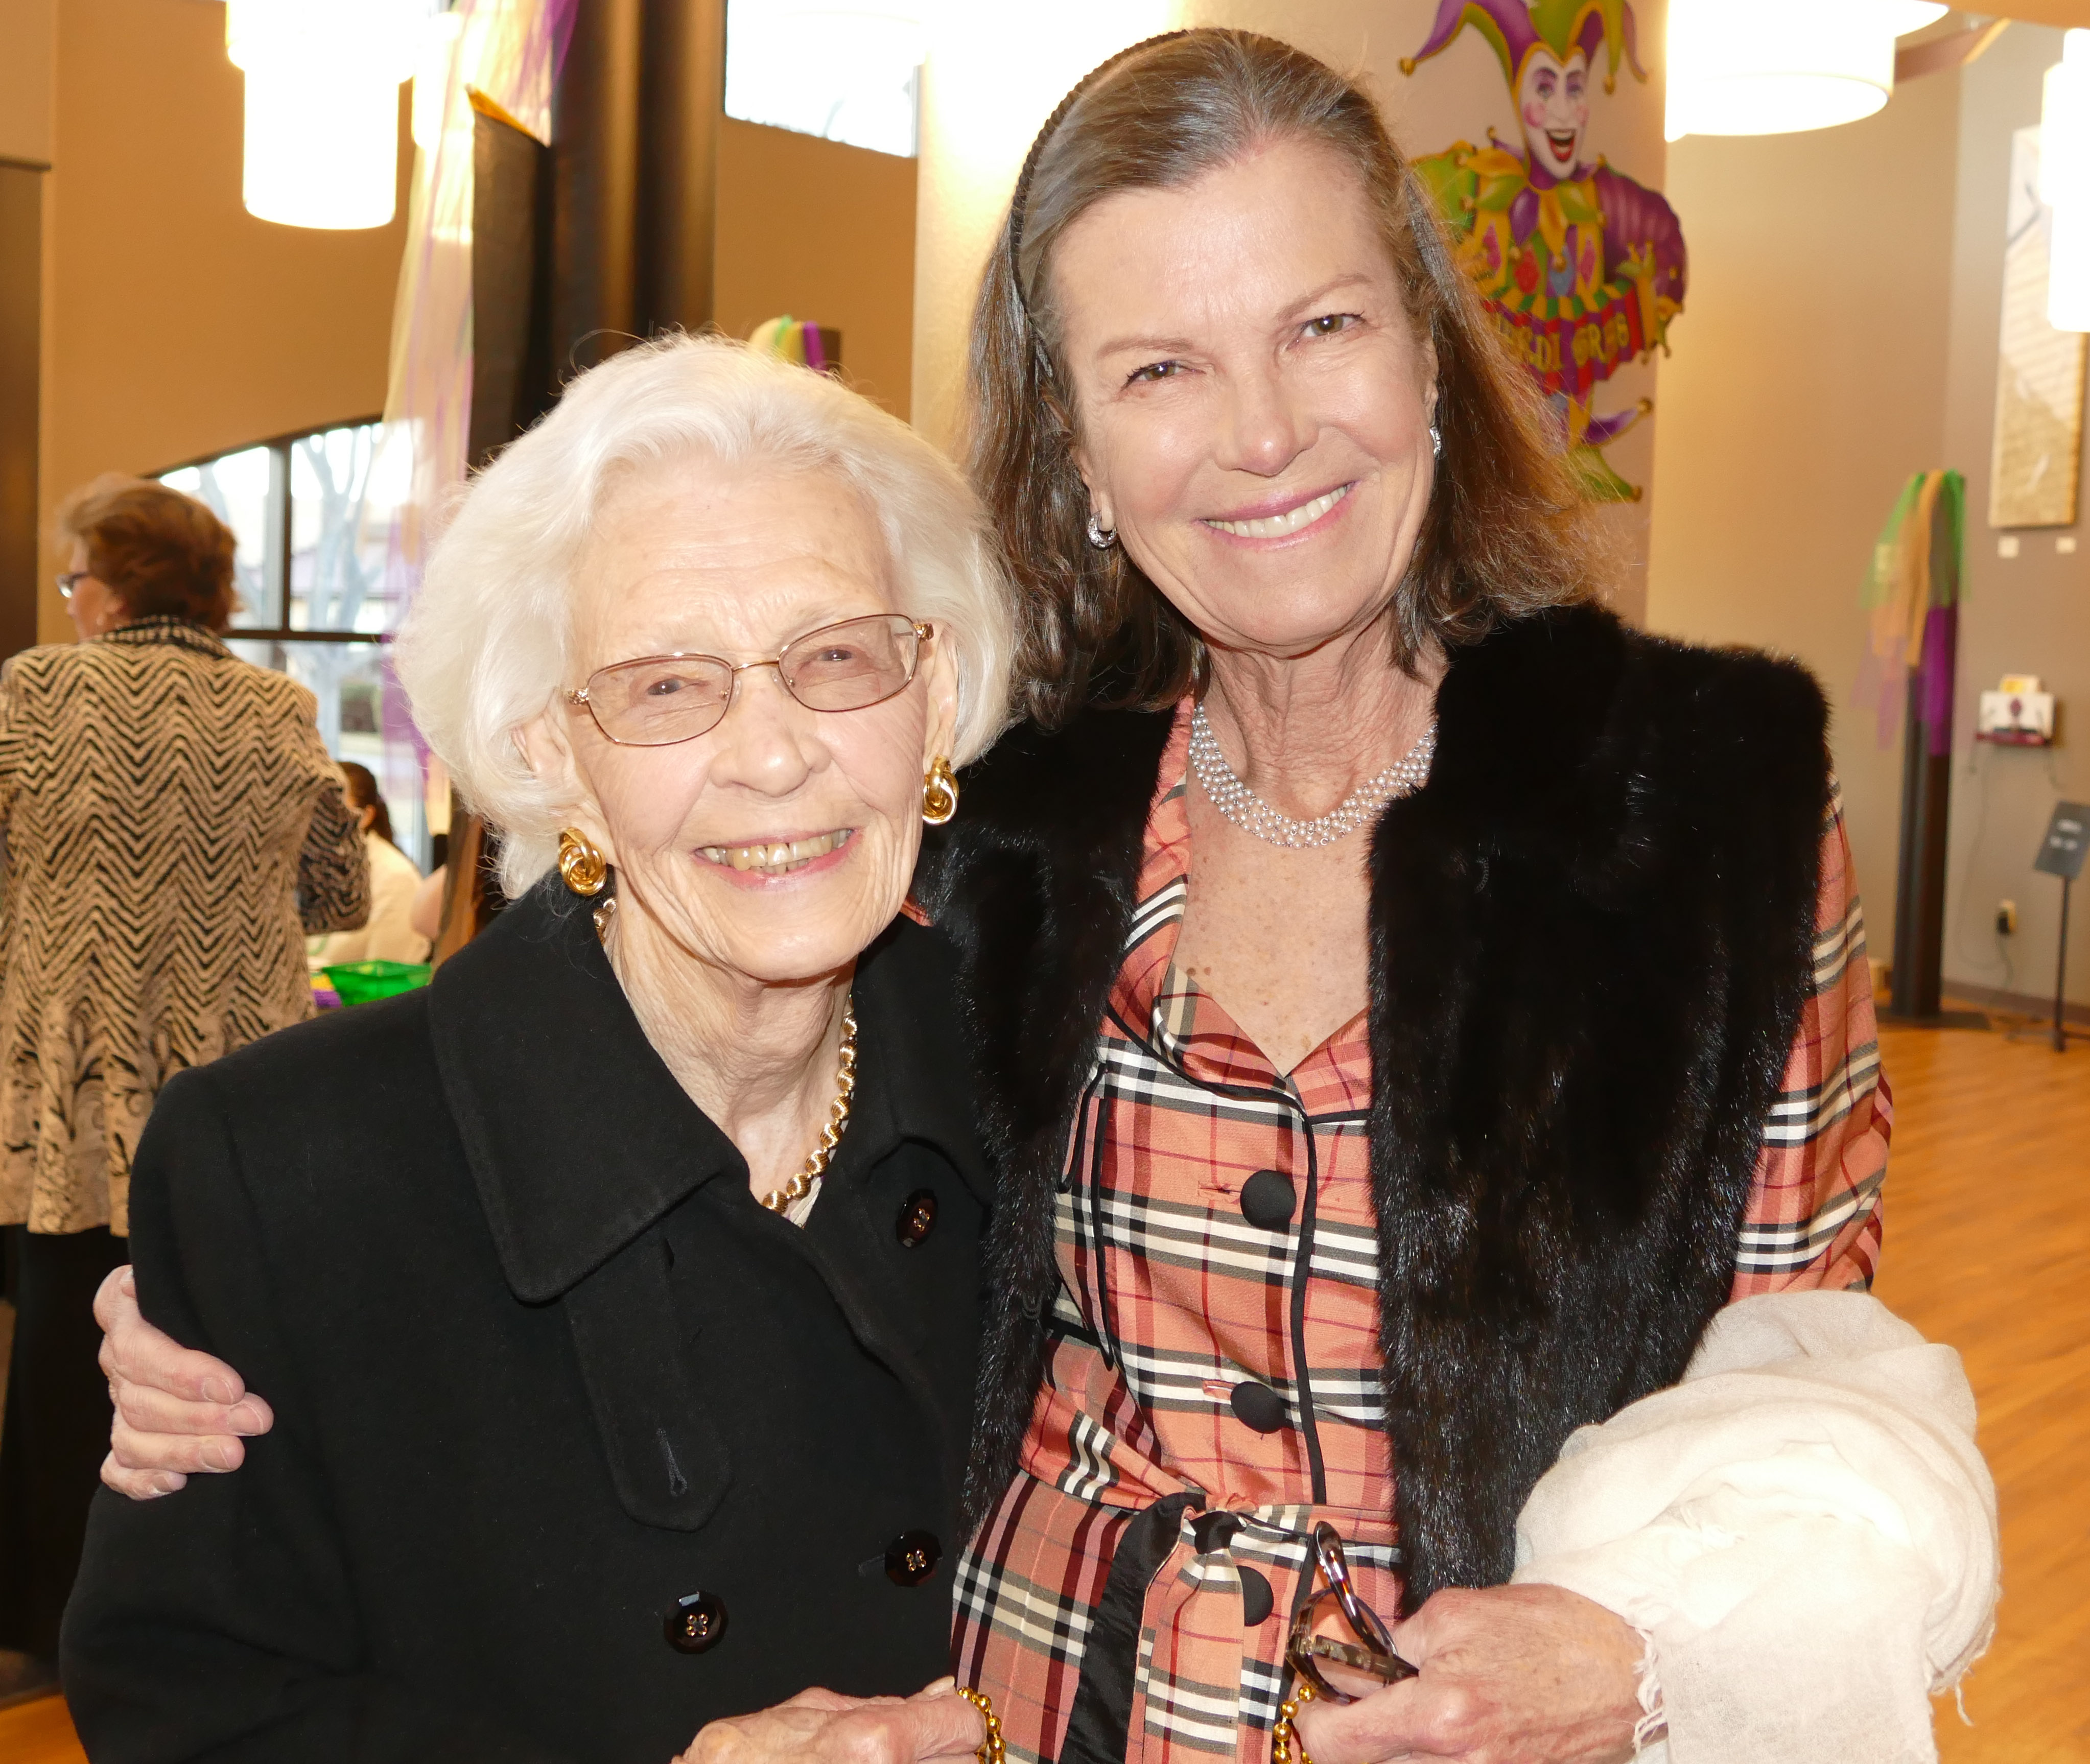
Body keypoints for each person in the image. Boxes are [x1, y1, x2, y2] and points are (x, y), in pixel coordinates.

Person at [94, 30, 1997, 1764]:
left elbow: (1802, 1367)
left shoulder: (1700, 824)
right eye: (1156, 367)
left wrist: (1644, 1644)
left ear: (1424, 347)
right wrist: (255, 1274)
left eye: (1320, 326)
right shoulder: (994, 829)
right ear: (1075, 451)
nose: (1258, 432)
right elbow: (646, 1026)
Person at [61, 336, 1014, 1763]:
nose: (774, 753)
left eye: (835, 657)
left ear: (931, 698)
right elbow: (189, 1712)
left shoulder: (1047, 1082)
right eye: (666, 686)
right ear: (548, 748)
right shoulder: (291, 1165)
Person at [0, 477, 369, 1687]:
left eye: (74, 584)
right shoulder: (280, 709)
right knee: (219, 1354)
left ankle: (48, 1622)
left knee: (63, 1353)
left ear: (106, 591)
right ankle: (218, 1608)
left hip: (76, 1085)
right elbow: (344, 899)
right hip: (235, 1087)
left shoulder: (35, 693)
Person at [309, 762, 432, 969]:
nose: (317, 820)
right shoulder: (311, 866)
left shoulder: (396, 878)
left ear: (366, 816)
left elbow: (384, 977)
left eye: (331, 808)